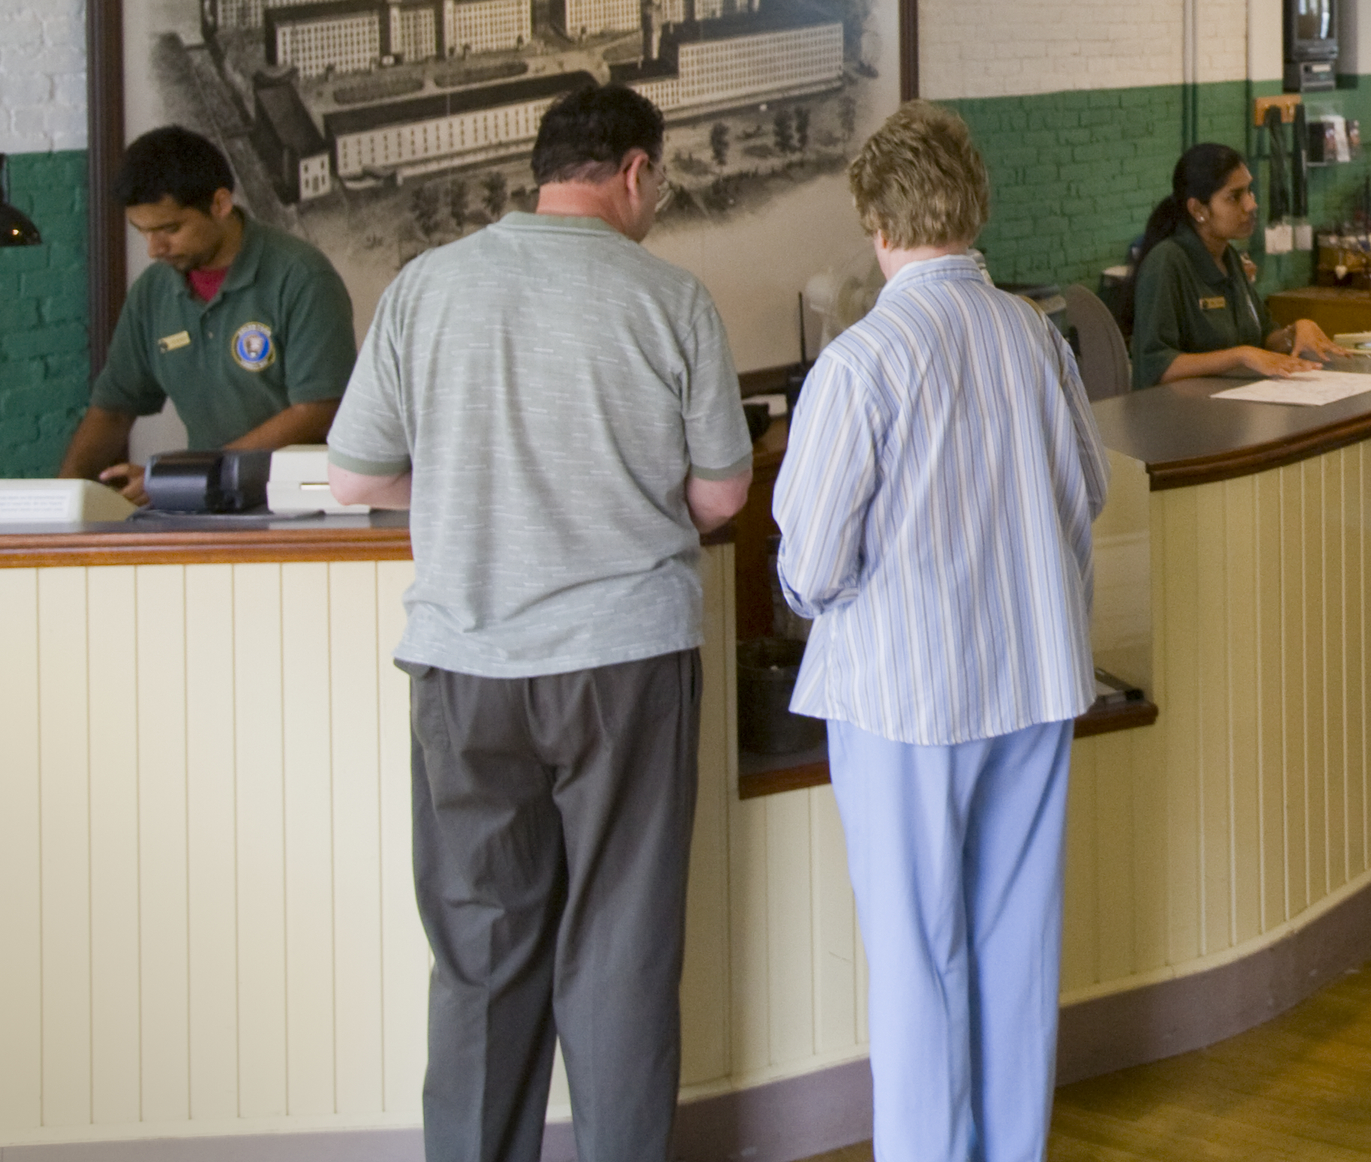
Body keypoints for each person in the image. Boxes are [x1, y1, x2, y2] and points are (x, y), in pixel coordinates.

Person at [325, 84, 751, 1162]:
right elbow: (723, 501)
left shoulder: (426, 286)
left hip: (465, 667)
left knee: (478, 958)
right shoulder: (671, 298)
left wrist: (467, 483)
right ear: (635, 172)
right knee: (620, 955)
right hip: (624, 666)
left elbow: (353, 476)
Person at [774, 102, 1107, 1162]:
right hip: (1034, 676)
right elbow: (1084, 494)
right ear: (975, 206)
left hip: (903, 696)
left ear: (877, 222)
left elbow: (813, 567)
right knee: (1016, 947)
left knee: (918, 959)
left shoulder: (862, 361)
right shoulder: (1036, 337)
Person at [58, 125, 355, 504]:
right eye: (142, 232)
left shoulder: (301, 276)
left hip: (300, 503)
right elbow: (114, 410)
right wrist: (62, 499)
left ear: (220, 204)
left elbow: (318, 410)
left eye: (170, 229)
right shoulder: (153, 291)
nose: (154, 249)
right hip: (205, 505)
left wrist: (182, 476)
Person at [1126, 141, 1332, 386]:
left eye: (1249, 191)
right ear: (1198, 209)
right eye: (1234, 197)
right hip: (1181, 414)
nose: (1251, 205)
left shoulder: (1229, 258)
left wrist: (1295, 332)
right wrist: (1240, 356)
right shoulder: (1167, 261)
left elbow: (1264, 335)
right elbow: (1157, 365)